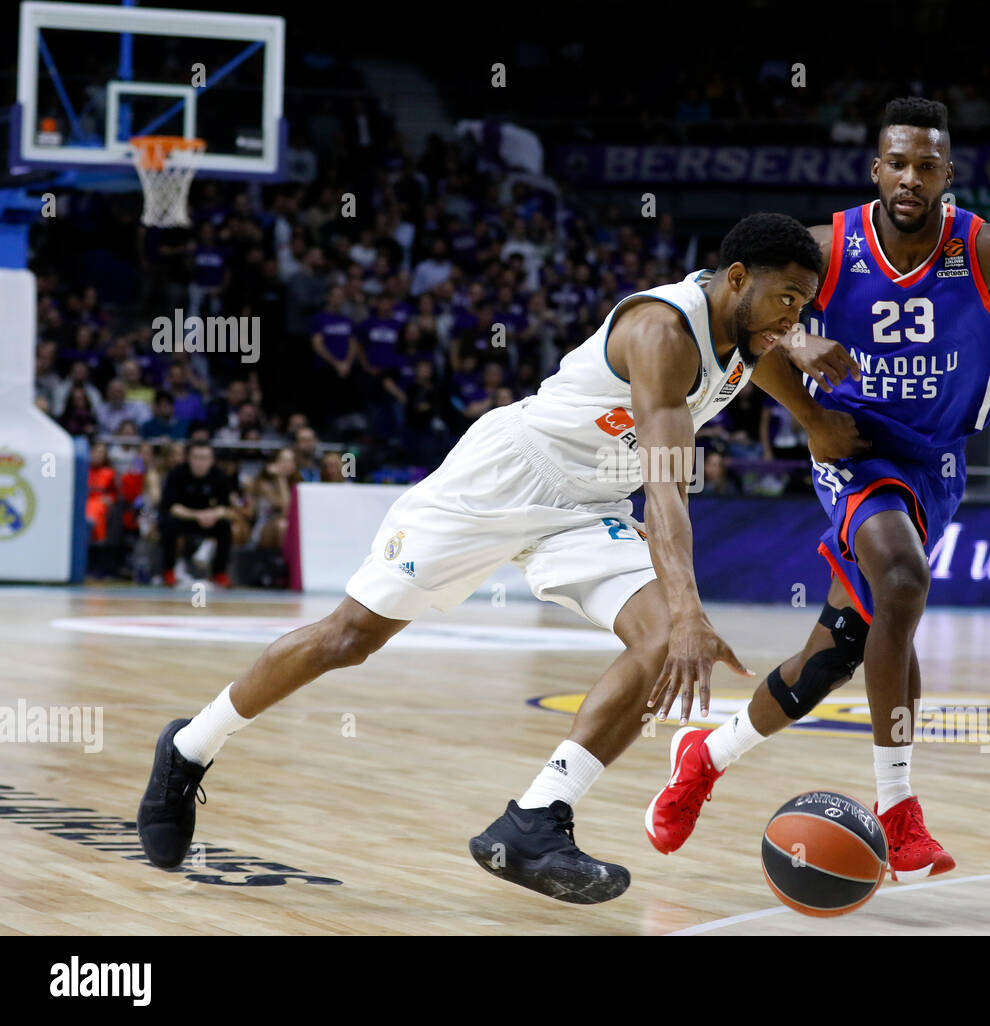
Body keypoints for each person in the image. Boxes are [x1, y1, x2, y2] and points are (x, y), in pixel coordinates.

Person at [136, 212, 865, 904]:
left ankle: (533, 821)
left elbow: (756, 364)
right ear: (735, 278)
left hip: (589, 508)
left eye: (803, 303)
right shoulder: (661, 330)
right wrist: (692, 609)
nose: (792, 317)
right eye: (784, 299)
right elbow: (668, 487)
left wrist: (813, 419)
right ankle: (190, 746)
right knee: (349, 638)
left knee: (654, 642)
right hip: (503, 478)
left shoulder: (753, 333)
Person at [644, 97, 990, 883]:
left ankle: (706, 754)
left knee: (833, 657)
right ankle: (899, 812)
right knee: (904, 580)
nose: (911, 178)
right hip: (854, 449)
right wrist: (810, 409)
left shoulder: (987, 249)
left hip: (935, 463)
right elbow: (746, 326)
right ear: (876, 167)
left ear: (948, 175)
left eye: (927, 166)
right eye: (897, 162)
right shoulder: (825, 249)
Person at [158, 441, 240, 588]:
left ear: (211, 459)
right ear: (189, 458)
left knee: (225, 527)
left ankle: (219, 573)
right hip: (185, 518)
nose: (200, 462)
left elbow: (225, 507)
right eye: (197, 457)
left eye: (205, 458)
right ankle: (168, 571)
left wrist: (212, 515)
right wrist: (197, 515)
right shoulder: (177, 474)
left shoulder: (219, 475)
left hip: (209, 520)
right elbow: (172, 507)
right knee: (169, 524)